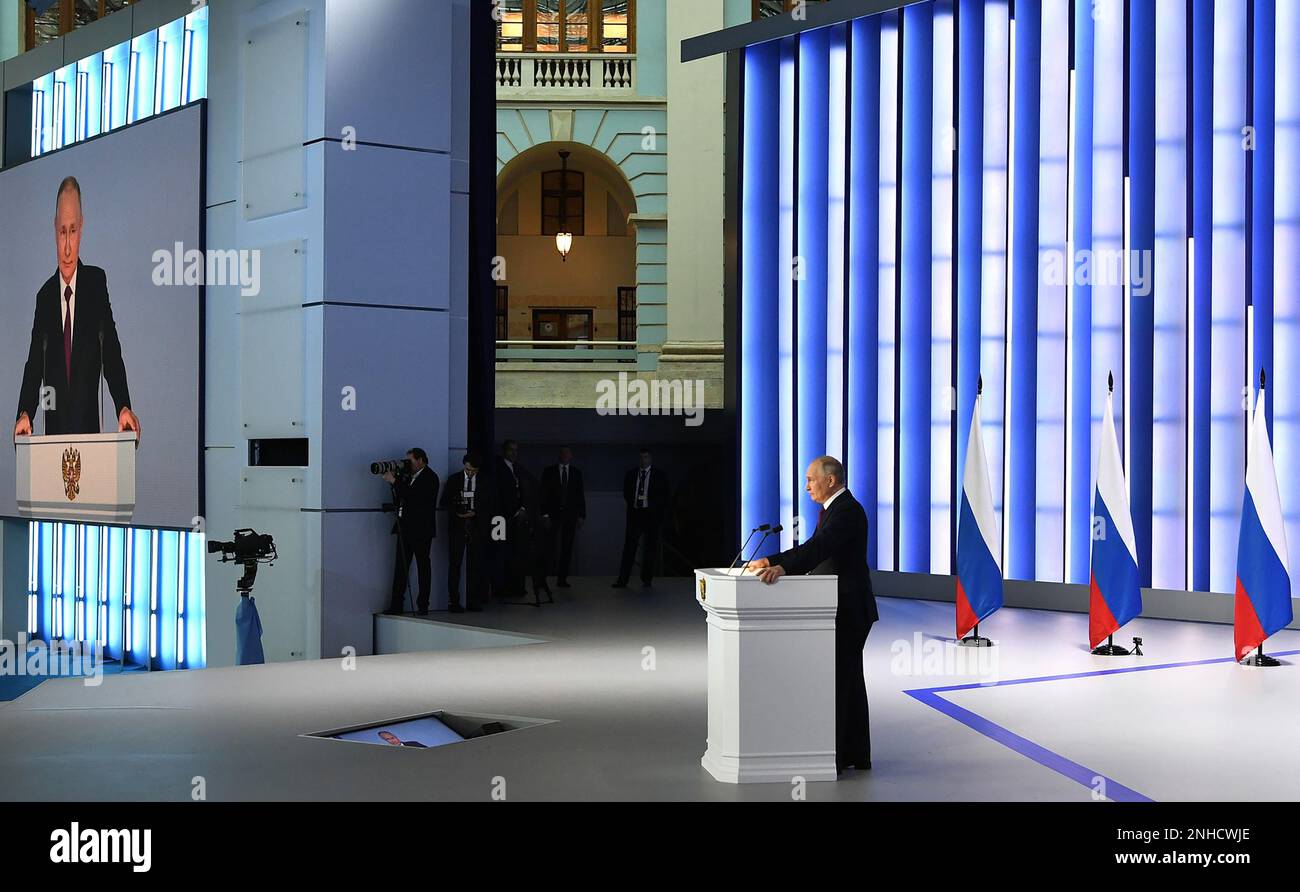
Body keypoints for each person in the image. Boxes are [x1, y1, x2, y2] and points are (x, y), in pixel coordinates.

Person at [751, 456, 877, 773]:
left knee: (841, 679)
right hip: (842, 605)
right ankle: (853, 754)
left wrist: (780, 566)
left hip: (849, 607)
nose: (807, 485)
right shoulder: (835, 510)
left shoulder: (846, 510)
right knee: (847, 679)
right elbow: (814, 546)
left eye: (811, 479)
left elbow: (819, 548)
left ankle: (836, 757)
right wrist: (772, 561)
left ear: (830, 480)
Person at [15, 176, 141, 440]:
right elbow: (34, 365)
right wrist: (25, 413)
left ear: (81, 228)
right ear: (54, 230)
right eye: (62, 232)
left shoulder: (96, 284)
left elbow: (112, 354)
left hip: (91, 442)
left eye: (73, 231)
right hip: (53, 445)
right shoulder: (45, 297)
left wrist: (123, 406)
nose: (68, 247)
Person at [385, 448, 439, 616]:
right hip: (405, 528)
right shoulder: (409, 477)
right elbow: (400, 498)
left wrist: (395, 481)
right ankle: (396, 604)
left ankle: (423, 604)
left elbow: (414, 497)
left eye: (410, 461)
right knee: (400, 567)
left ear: (421, 460)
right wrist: (396, 481)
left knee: (423, 566)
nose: (408, 464)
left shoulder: (430, 477)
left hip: (421, 530)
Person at [614, 447, 669, 589]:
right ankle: (623, 579)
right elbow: (627, 492)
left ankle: (647, 579)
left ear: (650, 458)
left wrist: (651, 506)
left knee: (650, 548)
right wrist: (635, 503)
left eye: (645, 457)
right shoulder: (631, 474)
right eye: (640, 457)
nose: (643, 460)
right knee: (629, 547)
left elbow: (663, 496)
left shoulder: (659, 475)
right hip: (635, 514)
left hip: (651, 516)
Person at [440, 452, 486, 613]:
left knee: (476, 565)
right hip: (458, 525)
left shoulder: (485, 481)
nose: (470, 473)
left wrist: (476, 512)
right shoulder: (454, 480)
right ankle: (454, 601)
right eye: (467, 469)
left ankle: (474, 600)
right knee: (455, 564)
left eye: (473, 470)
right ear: (464, 465)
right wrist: (457, 512)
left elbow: (490, 503)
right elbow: (444, 502)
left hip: (476, 526)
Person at [540, 446, 585, 588]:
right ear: (559, 455)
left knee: (567, 548)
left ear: (571, 456)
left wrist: (582, 515)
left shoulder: (576, 473)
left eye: (567, 453)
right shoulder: (549, 472)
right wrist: (545, 515)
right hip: (553, 515)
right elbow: (543, 495)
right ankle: (544, 577)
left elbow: (580, 495)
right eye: (563, 453)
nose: (565, 455)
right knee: (549, 547)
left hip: (570, 515)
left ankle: (562, 579)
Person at [493, 439, 528, 599]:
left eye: (516, 450)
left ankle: (515, 586)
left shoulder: (518, 469)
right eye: (510, 450)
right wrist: (513, 511)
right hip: (499, 519)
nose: (514, 453)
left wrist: (522, 508)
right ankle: (500, 588)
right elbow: (499, 495)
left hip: (516, 519)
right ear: (504, 451)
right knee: (500, 553)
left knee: (516, 552)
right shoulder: (497, 468)